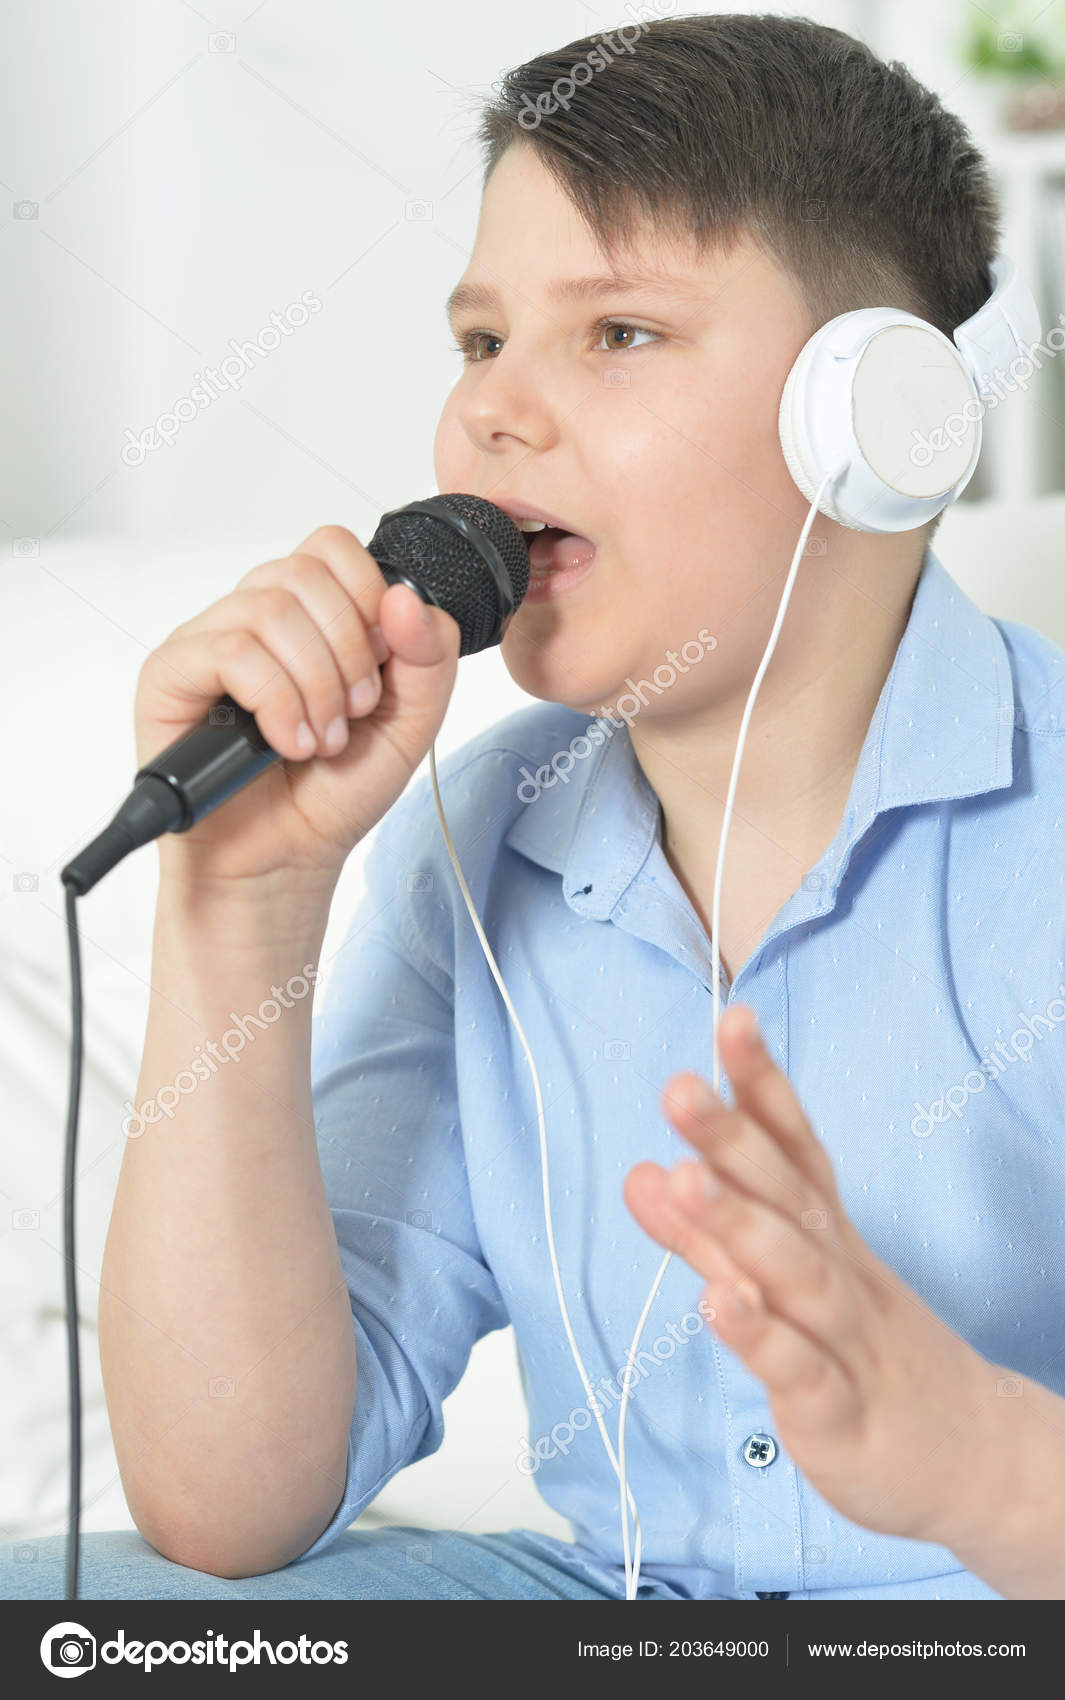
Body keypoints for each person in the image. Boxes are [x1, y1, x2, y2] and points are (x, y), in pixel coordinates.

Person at [8, 13, 1065, 1603]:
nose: (494, 412)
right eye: (481, 339)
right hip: (612, 1621)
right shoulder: (479, 841)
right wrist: (243, 901)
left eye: (618, 333)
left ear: (875, 419)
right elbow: (232, 1506)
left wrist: (973, 1455)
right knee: (74, 1615)